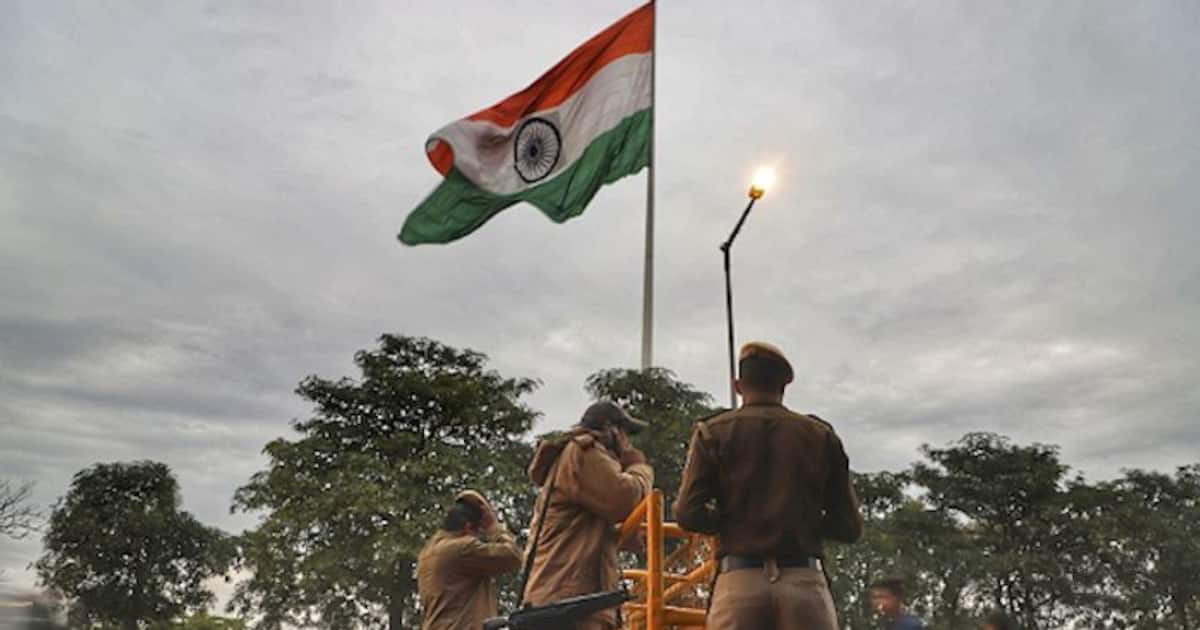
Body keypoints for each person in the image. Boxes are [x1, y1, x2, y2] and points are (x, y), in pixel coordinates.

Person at [674, 341, 864, 630]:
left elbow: (687, 513)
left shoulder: (712, 433)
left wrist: (731, 522)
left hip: (739, 582)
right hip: (803, 581)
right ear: (783, 386)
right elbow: (849, 527)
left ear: (738, 386)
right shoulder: (820, 436)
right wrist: (804, 523)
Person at [523, 400, 655, 630]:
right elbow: (623, 498)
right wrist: (639, 468)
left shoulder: (573, 459)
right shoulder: (584, 451)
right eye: (625, 434)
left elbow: (581, 532)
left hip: (563, 602)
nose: (627, 443)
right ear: (610, 429)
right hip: (569, 606)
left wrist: (621, 537)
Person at [417, 490, 522, 630]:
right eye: (478, 532)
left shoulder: (428, 552)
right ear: (468, 528)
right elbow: (513, 557)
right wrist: (493, 528)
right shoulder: (463, 548)